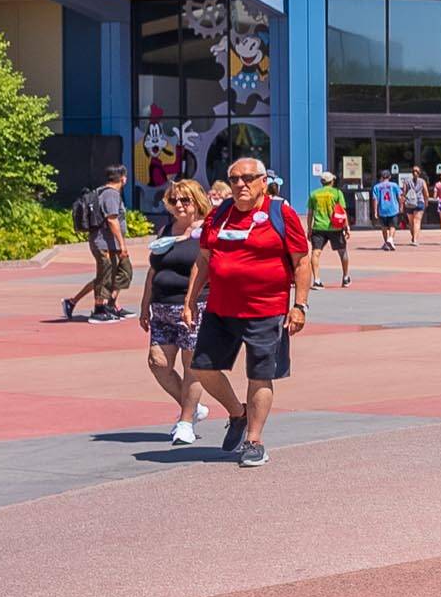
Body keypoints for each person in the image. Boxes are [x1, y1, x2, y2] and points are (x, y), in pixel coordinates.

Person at [181, 156, 312, 467]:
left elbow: (302, 262)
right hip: (220, 310)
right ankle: (238, 414)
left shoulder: (281, 213)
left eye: (248, 178)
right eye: (235, 179)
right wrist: (190, 300)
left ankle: (254, 440)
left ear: (263, 182)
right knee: (202, 369)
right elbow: (203, 260)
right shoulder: (220, 214)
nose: (241, 184)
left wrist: (300, 305)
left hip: (266, 310)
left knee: (260, 374)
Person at [143, 179, 213, 442]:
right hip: (161, 308)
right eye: (174, 200)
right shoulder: (166, 229)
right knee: (157, 362)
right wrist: (144, 306)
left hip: (195, 306)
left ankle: (185, 422)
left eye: (186, 200)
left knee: (191, 366)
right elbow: (153, 270)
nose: (180, 205)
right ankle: (193, 407)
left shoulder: (206, 229)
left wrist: (189, 303)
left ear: (197, 201)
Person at [65, 162, 133, 322]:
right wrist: (122, 244)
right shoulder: (111, 194)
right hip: (104, 243)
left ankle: (108, 304)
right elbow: (112, 220)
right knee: (105, 277)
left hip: (109, 243)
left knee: (120, 273)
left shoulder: (106, 192)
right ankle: (99, 309)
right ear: (123, 178)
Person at [304, 168, 352, 290]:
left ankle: (317, 280)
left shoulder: (314, 194)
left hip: (318, 227)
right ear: (331, 181)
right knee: (342, 252)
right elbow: (342, 211)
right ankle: (346, 277)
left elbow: (310, 213)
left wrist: (309, 228)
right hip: (335, 227)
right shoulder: (337, 193)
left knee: (316, 252)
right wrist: (346, 226)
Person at [372, 167, 402, 251]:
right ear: (389, 177)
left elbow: (375, 199)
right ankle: (390, 239)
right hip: (393, 208)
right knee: (393, 226)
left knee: (384, 227)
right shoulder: (394, 185)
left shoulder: (376, 187)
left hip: (382, 209)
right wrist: (401, 206)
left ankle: (386, 242)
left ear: (381, 177)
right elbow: (399, 197)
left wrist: (375, 211)